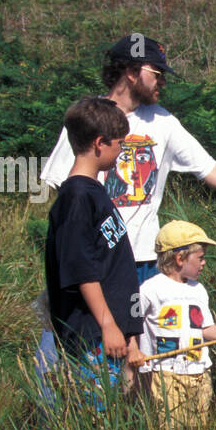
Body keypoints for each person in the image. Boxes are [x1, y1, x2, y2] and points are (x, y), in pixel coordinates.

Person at [40, 34, 216, 284]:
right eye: (157, 74)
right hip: (96, 256)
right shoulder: (87, 119)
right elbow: (64, 191)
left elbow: (210, 169)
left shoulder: (163, 123)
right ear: (131, 71)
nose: (163, 82)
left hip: (144, 258)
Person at [44, 96, 146, 410]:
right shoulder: (75, 197)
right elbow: (81, 269)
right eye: (119, 144)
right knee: (94, 417)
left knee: (111, 413)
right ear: (100, 143)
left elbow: (114, 267)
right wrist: (107, 325)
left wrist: (129, 333)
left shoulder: (95, 192)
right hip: (91, 334)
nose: (121, 152)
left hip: (112, 332)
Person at [138, 221, 216, 429]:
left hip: (199, 372)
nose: (204, 263)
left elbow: (205, 327)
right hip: (165, 373)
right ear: (180, 258)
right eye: (200, 258)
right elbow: (130, 323)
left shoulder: (198, 290)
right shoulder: (149, 289)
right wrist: (132, 351)